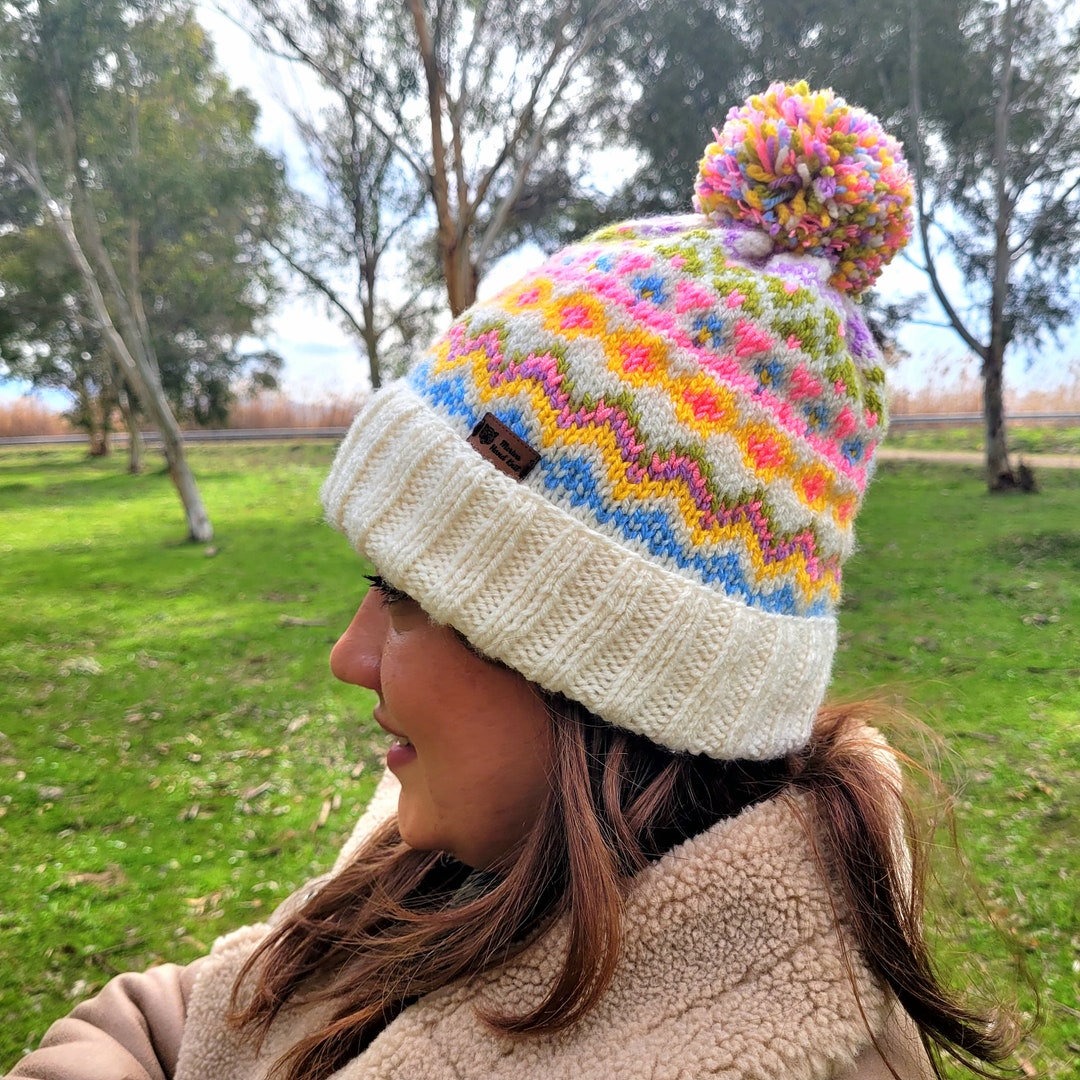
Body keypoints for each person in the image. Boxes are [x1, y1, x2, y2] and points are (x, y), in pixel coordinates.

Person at [10, 82, 1017, 1080]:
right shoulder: (462, 863)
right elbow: (199, 1016)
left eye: (406, 599)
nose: (347, 655)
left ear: (607, 671)